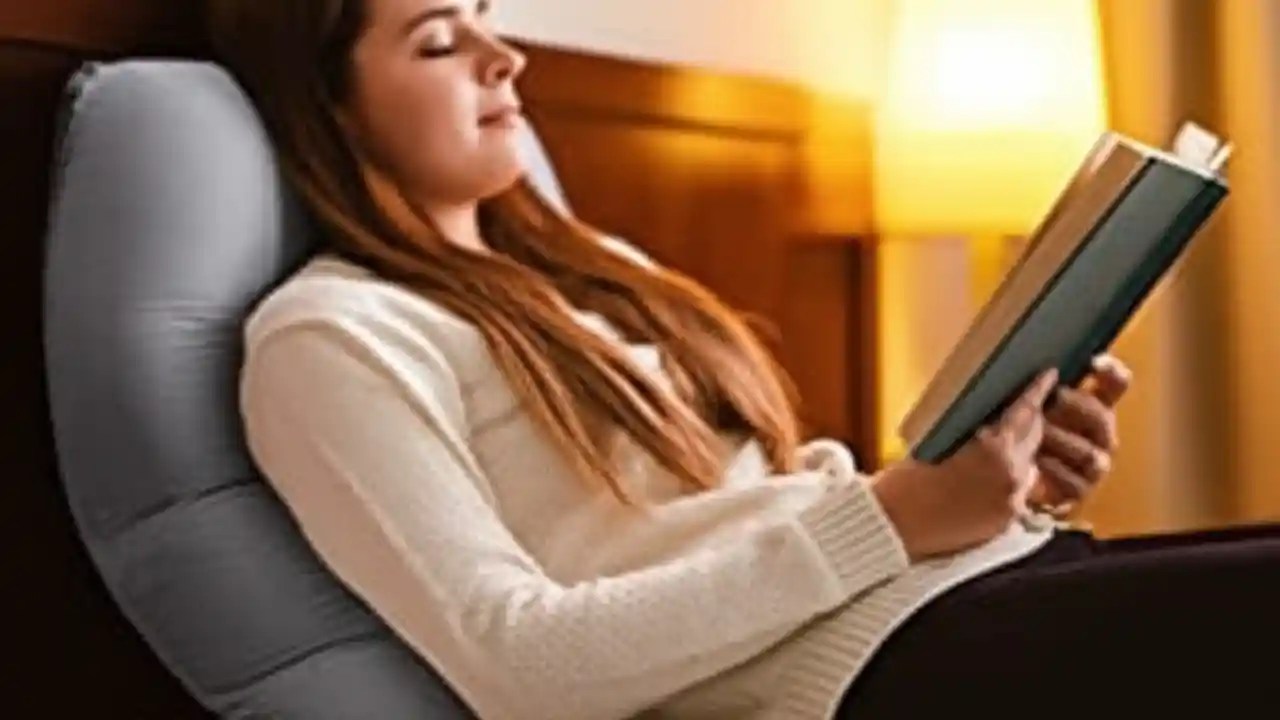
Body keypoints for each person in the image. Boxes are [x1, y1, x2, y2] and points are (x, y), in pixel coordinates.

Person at [211, 1, 1280, 718]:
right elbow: (518, 665)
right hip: (873, 663)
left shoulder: (597, 270)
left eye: (487, 16)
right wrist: (892, 520)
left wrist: (997, 481)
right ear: (327, 103)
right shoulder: (333, 338)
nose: (506, 57)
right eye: (440, 42)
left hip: (965, 584)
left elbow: (760, 505)